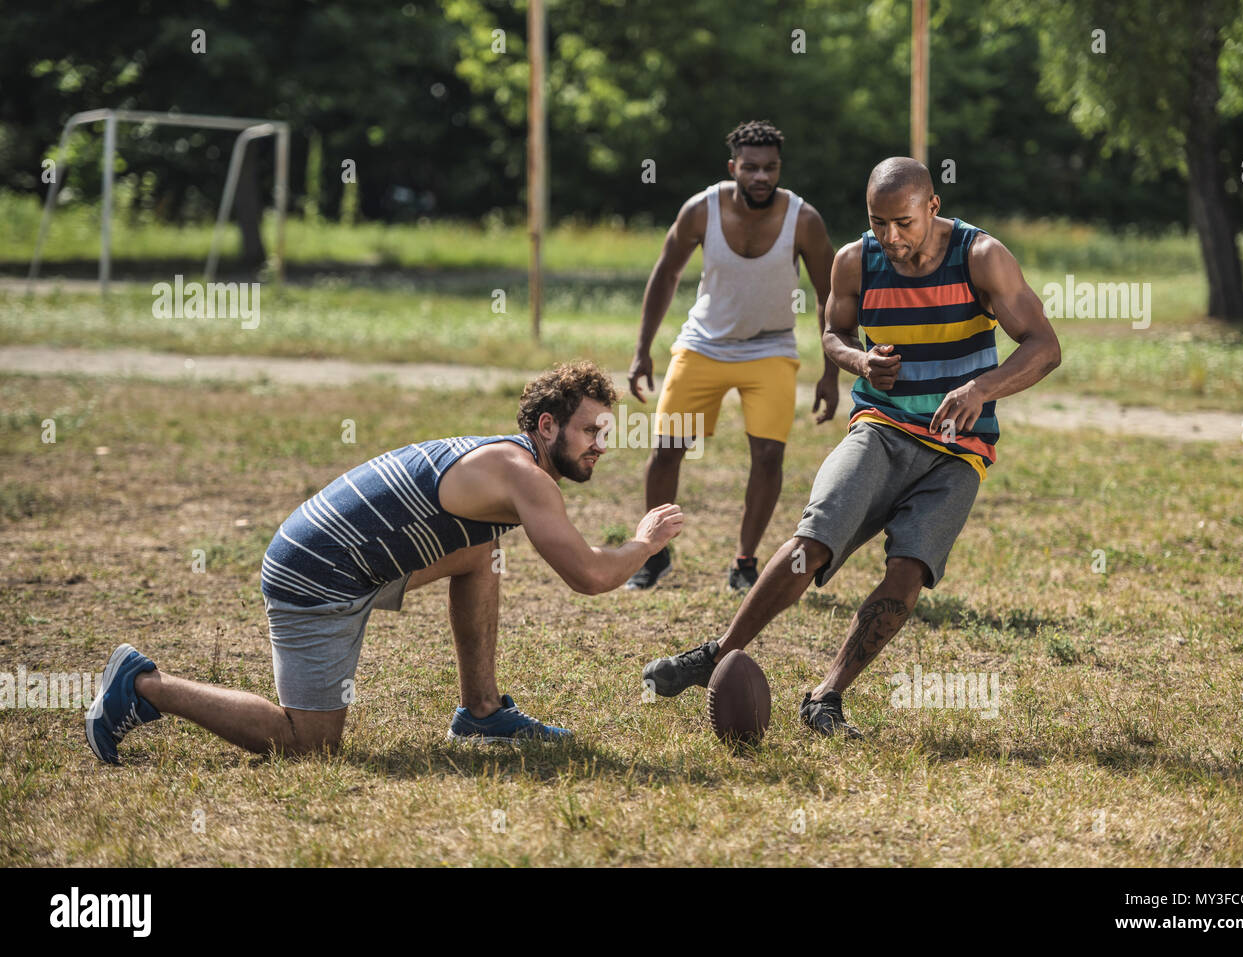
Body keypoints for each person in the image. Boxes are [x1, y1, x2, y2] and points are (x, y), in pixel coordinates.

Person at [642, 157, 1062, 736]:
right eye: (878, 222)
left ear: (933, 207)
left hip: (959, 450)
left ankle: (826, 696)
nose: (891, 237)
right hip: (880, 428)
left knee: (910, 569)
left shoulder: (981, 256)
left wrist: (980, 388)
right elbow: (833, 333)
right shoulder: (854, 261)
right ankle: (719, 652)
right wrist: (859, 360)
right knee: (813, 540)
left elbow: (1044, 345)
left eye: (905, 223)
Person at [86, 362, 684, 763]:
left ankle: (481, 712)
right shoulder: (524, 477)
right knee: (310, 744)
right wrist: (645, 542)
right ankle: (142, 684)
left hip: (340, 555)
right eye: (589, 431)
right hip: (316, 576)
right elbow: (589, 576)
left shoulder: (505, 460)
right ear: (547, 425)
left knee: (481, 551)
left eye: (605, 432)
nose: (601, 445)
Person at [625, 119, 840, 593]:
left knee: (767, 456)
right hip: (703, 343)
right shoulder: (701, 210)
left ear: (779, 168)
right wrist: (642, 350)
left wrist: (831, 371)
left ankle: (745, 563)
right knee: (666, 450)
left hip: (771, 347)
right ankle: (653, 554)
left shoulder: (803, 219)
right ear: (733, 168)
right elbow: (665, 275)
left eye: (771, 168)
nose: (761, 177)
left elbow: (829, 294)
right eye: (751, 168)